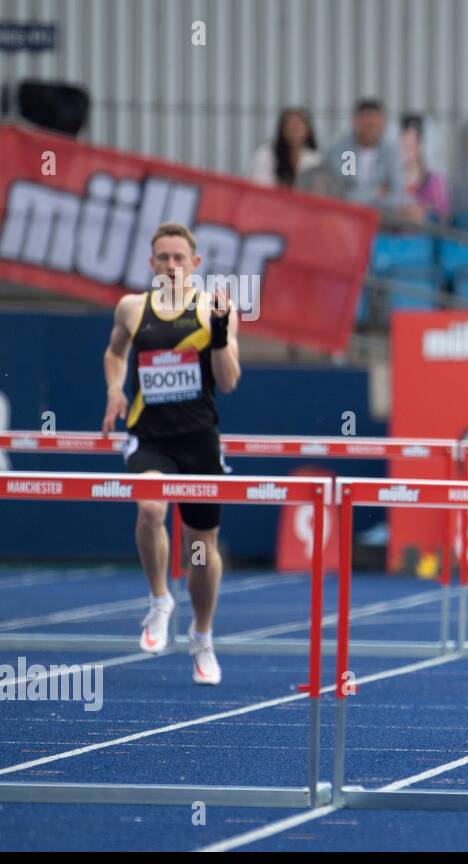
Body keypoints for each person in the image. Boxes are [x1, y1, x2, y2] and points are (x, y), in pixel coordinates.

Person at [101, 222, 241, 685]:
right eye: (163, 258)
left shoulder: (211, 311)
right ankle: (160, 599)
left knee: (200, 549)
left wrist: (219, 335)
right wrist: (114, 390)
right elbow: (115, 353)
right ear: (151, 263)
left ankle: (201, 634)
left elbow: (228, 381)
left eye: (180, 258)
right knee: (149, 509)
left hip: (198, 439)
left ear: (195, 265)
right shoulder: (132, 309)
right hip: (151, 438)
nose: (171, 266)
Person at [324, 99, 419, 222]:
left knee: (413, 211)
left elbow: (396, 190)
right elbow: (345, 193)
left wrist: (376, 198)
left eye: (374, 125)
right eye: (366, 124)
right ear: (355, 122)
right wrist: (376, 191)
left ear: (383, 124)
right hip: (348, 212)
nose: (370, 129)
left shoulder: (390, 151)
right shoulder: (345, 151)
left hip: (383, 210)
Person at [246, 107, 321, 188]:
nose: (294, 131)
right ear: (282, 130)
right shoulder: (265, 155)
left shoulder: (314, 160)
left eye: (298, 127)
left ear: (307, 131)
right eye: (290, 126)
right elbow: (258, 186)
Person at [399, 114, 450, 220]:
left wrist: (423, 212)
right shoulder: (389, 178)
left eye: (412, 145)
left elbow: (444, 215)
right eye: (405, 146)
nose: (408, 151)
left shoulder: (435, 180)